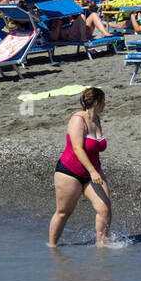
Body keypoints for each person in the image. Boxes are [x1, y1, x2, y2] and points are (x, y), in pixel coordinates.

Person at [49, 88, 112, 247]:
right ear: (97, 102)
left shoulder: (96, 119)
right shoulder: (77, 119)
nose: (105, 104)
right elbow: (78, 149)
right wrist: (92, 171)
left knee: (104, 210)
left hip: (93, 172)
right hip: (70, 172)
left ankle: (102, 245)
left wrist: (93, 171)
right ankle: (53, 247)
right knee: (63, 213)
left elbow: (95, 147)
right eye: (103, 101)